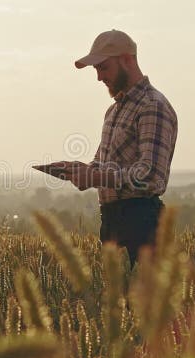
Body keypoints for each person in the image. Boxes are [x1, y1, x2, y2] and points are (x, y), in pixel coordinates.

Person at [65, 29, 178, 266]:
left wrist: (95, 176)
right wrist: (81, 171)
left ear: (127, 60)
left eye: (104, 67)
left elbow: (151, 177)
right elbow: (102, 163)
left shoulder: (152, 106)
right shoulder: (114, 110)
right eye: (96, 70)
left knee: (144, 302)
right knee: (116, 301)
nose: (99, 77)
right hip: (112, 222)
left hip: (142, 224)